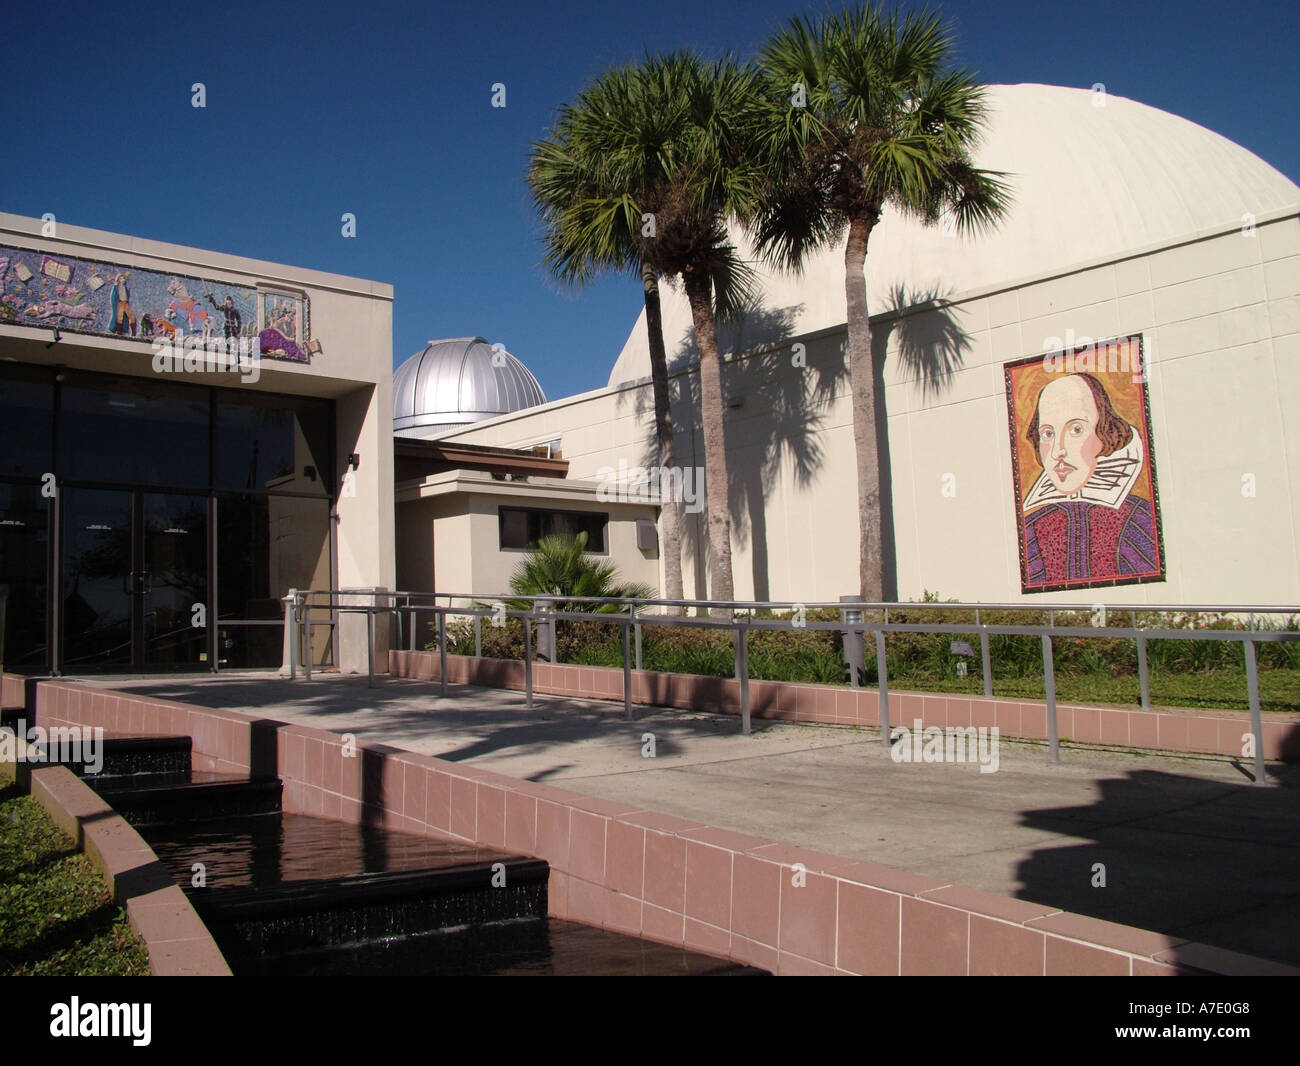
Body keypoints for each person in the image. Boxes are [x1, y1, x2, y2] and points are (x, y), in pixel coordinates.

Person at [1021, 373, 1159, 588]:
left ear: (1105, 432)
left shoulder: (1138, 519)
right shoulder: (1032, 528)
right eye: (1047, 434)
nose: (1059, 451)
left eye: (1076, 430)